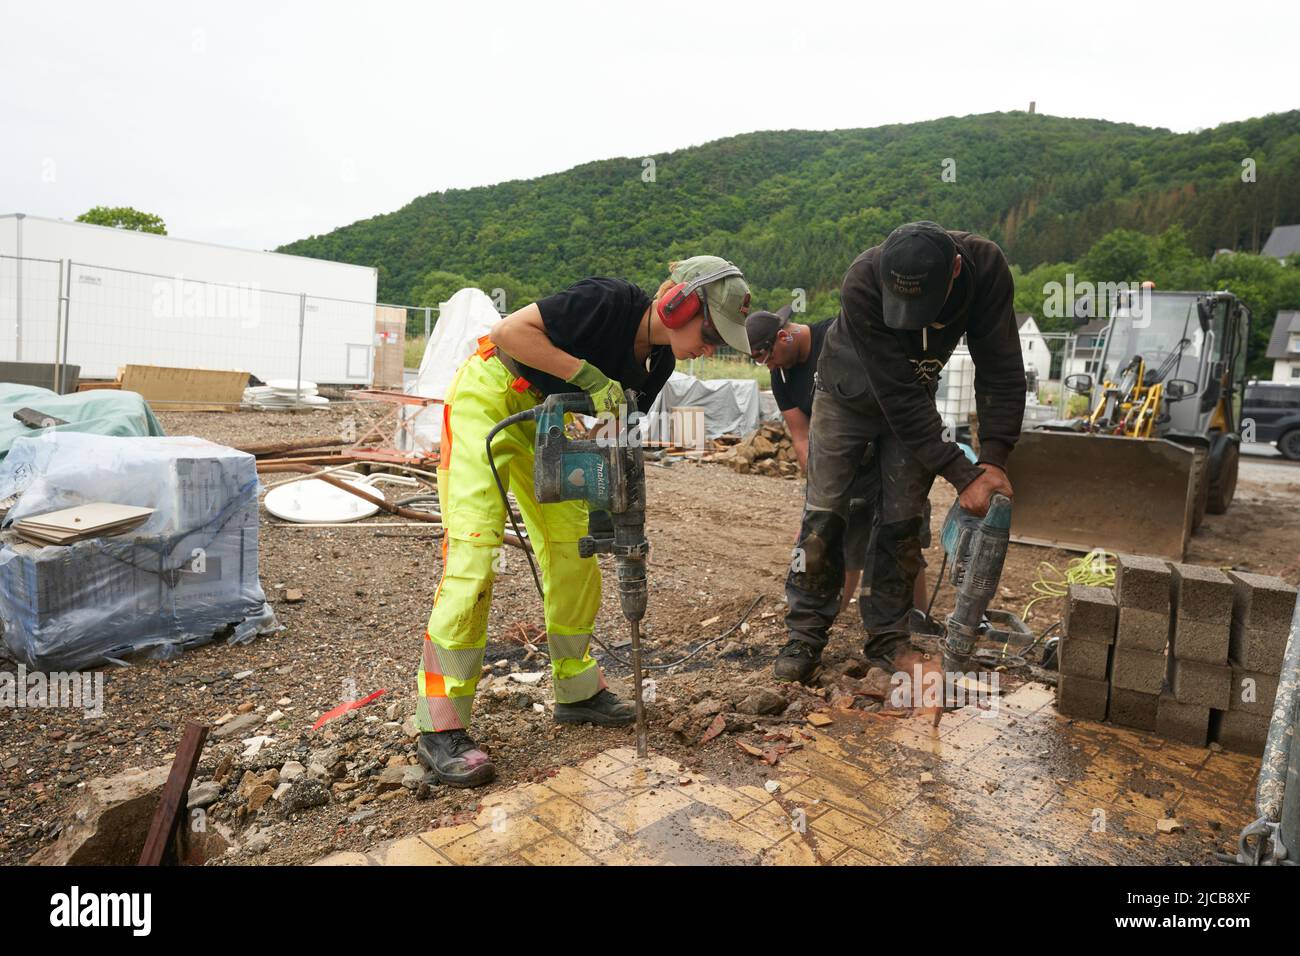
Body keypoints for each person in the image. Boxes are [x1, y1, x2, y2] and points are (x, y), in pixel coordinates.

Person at [415, 257, 752, 786]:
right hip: (491, 395)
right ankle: (440, 726)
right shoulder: (608, 301)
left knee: (577, 549)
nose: (711, 348)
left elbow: (616, 436)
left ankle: (576, 691)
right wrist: (587, 375)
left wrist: (616, 508)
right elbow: (510, 332)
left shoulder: (658, 364)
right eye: (711, 332)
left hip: (550, 421)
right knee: (476, 554)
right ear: (678, 304)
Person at [776, 221, 1026, 683]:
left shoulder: (985, 268)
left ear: (954, 269)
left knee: (903, 518)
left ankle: (889, 637)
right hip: (846, 397)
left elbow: (1002, 368)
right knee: (825, 512)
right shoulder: (863, 279)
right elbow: (897, 395)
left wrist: (992, 459)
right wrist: (961, 472)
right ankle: (805, 633)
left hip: (913, 400)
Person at [745, 306, 931, 617]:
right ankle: (829, 622)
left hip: (888, 445)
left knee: (901, 539)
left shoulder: (837, 334)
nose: (767, 365)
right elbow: (803, 439)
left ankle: (918, 620)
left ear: (783, 336)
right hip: (842, 464)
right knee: (838, 541)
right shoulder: (781, 377)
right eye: (758, 360)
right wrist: (814, 505)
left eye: (766, 355)